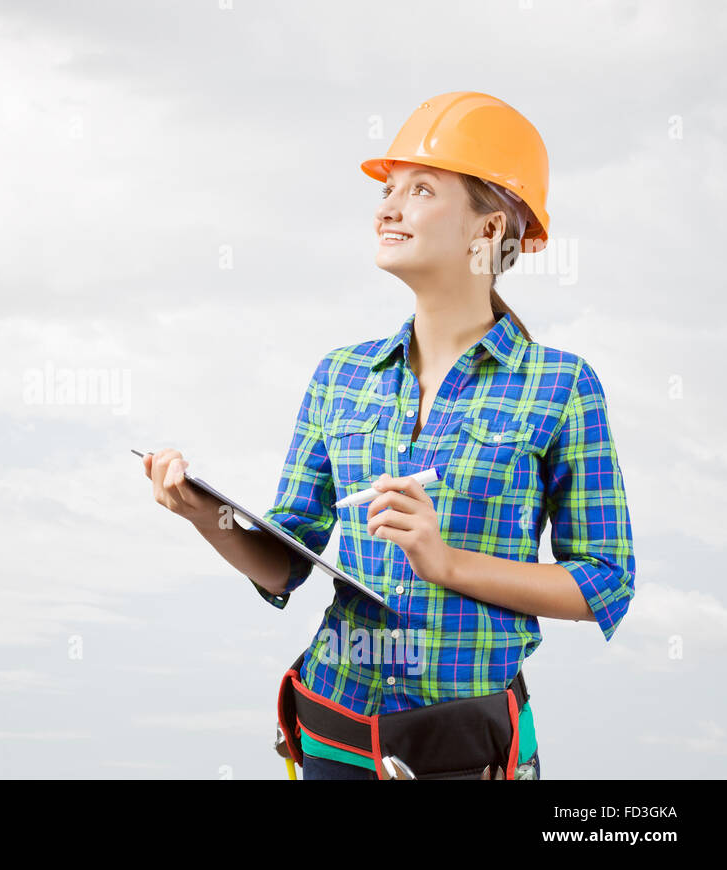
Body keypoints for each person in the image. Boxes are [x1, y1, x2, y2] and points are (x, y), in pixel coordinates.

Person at [142, 92, 635, 780]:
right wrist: (206, 516)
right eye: (388, 189)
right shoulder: (340, 377)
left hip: (464, 750)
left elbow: (604, 582)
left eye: (422, 189)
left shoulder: (560, 386)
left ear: (488, 230)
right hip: (335, 734)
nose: (387, 207)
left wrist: (447, 562)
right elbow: (285, 561)